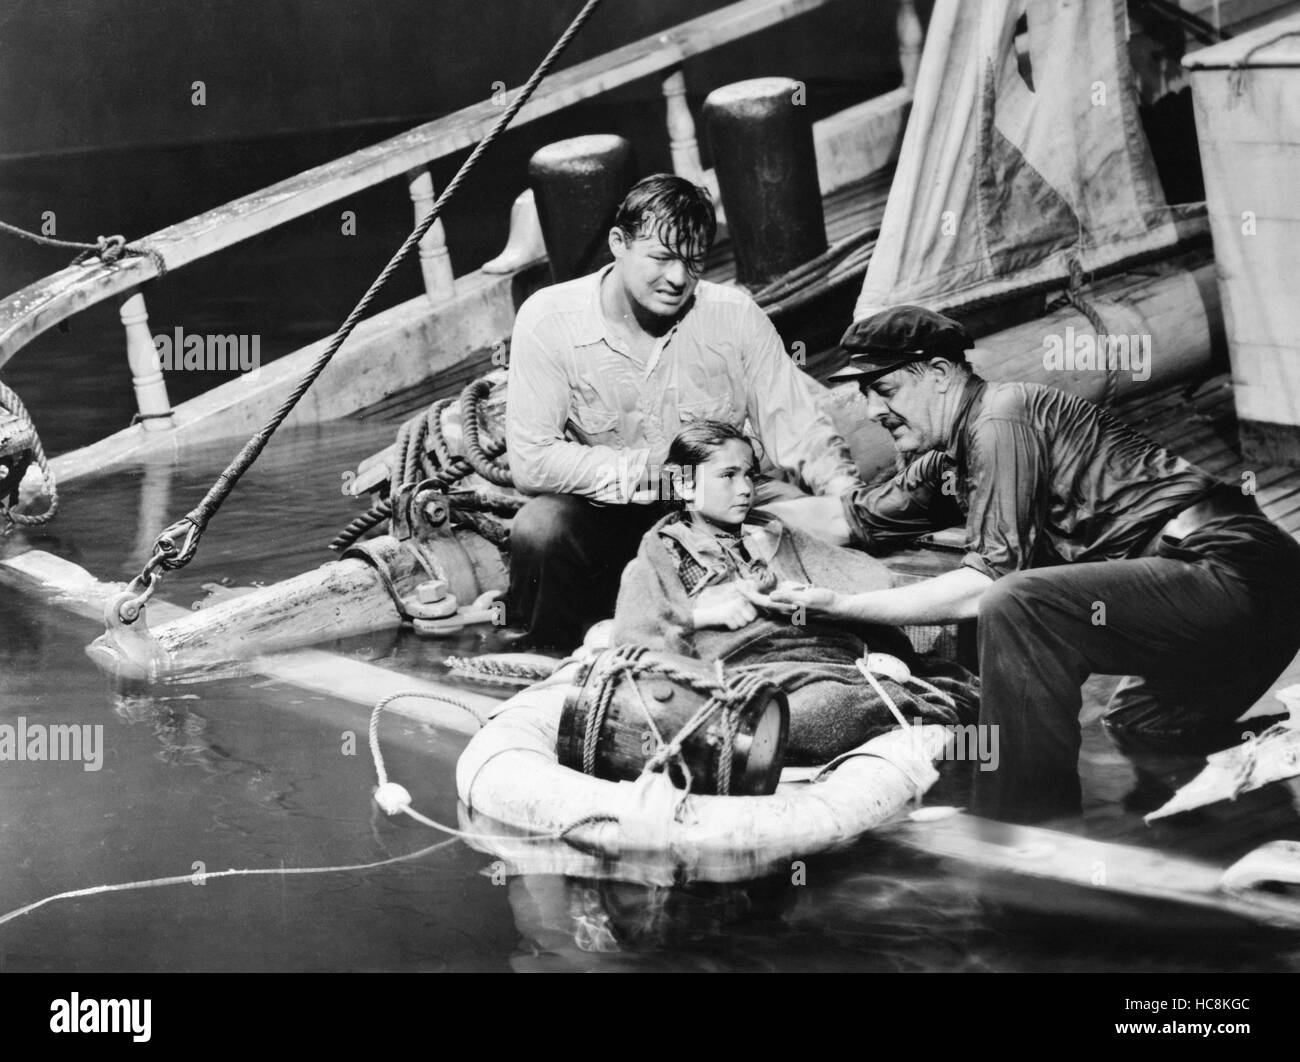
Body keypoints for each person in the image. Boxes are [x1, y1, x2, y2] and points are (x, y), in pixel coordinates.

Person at [755, 305, 1300, 822]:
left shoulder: (1002, 417)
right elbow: (846, 520)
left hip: (1233, 570)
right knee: (1141, 728)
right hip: (1204, 598)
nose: (873, 411)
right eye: (865, 394)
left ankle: (1023, 825)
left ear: (941, 373)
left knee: (1018, 606)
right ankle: (1248, 804)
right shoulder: (947, 461)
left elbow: (984, 586)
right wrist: (728, 507)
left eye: (885, 389)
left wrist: (844, 605)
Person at [504, 174, 862, 651]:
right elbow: (531, 461)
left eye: (693, 262)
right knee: (540, 529)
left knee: (816, 539)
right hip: (608, 512)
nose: (678, 278)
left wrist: (848, 499)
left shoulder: (734, 315)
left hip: (717, 506)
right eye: (661, 257)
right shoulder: (547, 320)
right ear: (618, 243)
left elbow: (796, 426)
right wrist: (646, 473)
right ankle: (554, 658)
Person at [611, 420, 978, 765]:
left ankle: (897, 708)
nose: (744, 489)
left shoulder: (772, 531)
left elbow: (858, 579)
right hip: (740, 676)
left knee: (828, 700)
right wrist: (703, 615)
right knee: (809, 711)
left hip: (818, 662)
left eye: (748, 476)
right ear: (684, 484)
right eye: (727, 476)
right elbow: (636, 640)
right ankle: (897, 711)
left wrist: (796, 596)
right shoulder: (661, 554)